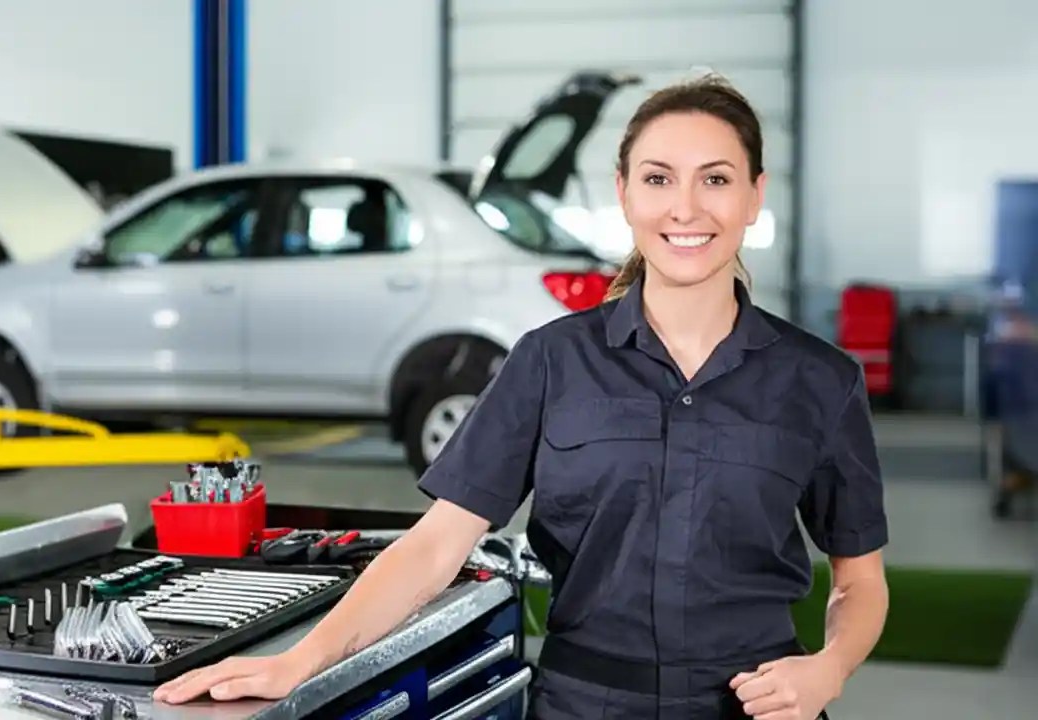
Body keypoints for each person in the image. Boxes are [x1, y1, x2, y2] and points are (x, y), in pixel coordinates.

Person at [152, 74, 891, 720]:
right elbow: (437, 544)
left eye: (717, 179)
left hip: (755, 705)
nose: (686, 208)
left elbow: (860, 581)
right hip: (583, 704)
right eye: (660, 178)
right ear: (624, 193)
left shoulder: (819, 379)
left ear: (755, 196)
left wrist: (828, 667)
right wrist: (298, 662)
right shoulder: (551, 361)